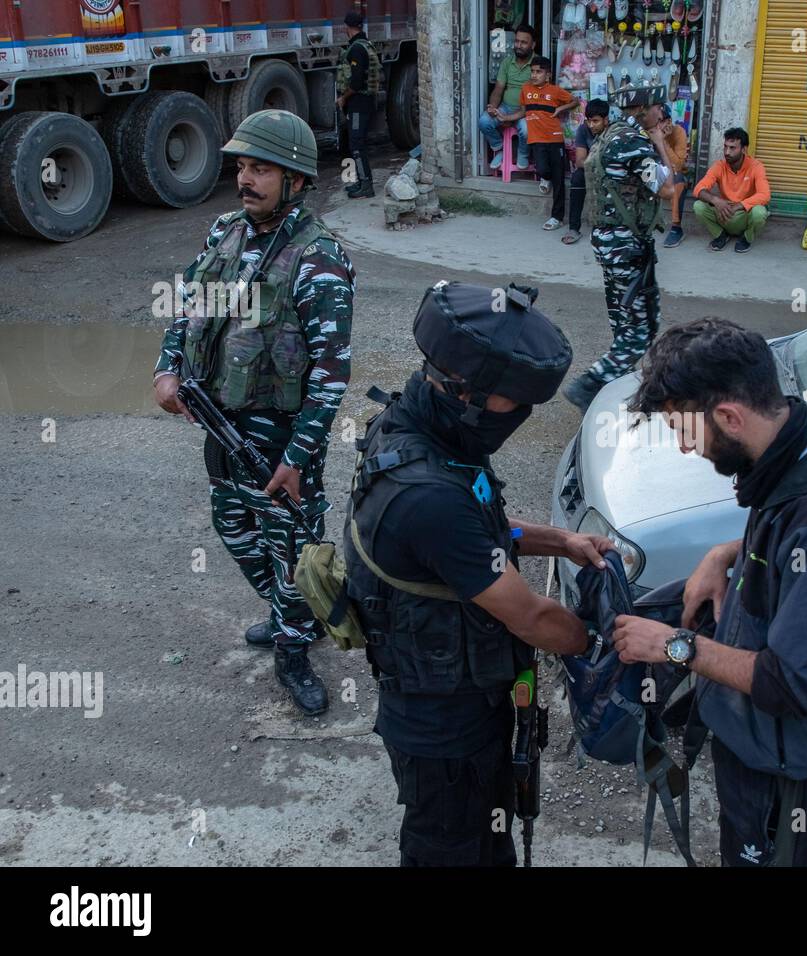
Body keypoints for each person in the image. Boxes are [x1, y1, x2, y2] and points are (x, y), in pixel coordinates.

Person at [611, 318, 807, 866]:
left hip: (782, 762)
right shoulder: (800, 440)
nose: (687, 450)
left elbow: (797, 685)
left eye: (687, 432)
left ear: (730, 417)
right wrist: (726, 553)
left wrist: (671, 645)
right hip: (750, 735)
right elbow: (792, 531)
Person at [344, 281, 613, 866]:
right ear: (467, 389)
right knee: (452, 850)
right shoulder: (427, 494)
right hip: (444, 730)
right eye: (514, 401)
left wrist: (560, 541)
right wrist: (601, 646)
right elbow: (534, 616)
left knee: (489, 843)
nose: (519, 415)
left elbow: (481, 531)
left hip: (469, 702)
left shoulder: (423, 426)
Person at [152, 110, 355, 716]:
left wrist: (297, 459)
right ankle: (290, 616)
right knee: (234, 529)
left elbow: (329, 376)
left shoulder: (319, 261)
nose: (246, 179)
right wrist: (167, 369)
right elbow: (190, 309)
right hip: (222, 429)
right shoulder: (226, 232)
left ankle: (294, 648)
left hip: (281, 446)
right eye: (242, 167)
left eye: (261, 168)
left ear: (294, 177)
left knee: (292, 550)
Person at [561, 89, 680, 412]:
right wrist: (658, 142)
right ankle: (590, 385)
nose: (663, 114)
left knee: (623, 321)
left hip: (608, 242)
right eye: (659, 108)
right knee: (642, 328)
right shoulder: (634, 143)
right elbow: (668, 189)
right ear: (643, 109)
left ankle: (615, 393)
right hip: (627, 246)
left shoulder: (611, 136)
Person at [498, 56, 576, 230]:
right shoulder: (526, 89)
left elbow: (574, 101)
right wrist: (506, 117)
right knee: (541, 169)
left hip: (555, 139)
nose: (534, 75)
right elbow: (523, 112)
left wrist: (560, 109)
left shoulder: (555, 91)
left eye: (538, 72)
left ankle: (557, 217)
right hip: (537, 139)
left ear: (547, 75)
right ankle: (545, 178)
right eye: (532, 71)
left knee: (559, 180)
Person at [692, 127, 771, 253]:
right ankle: (720, 235)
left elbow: (765, 195)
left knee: (760, 212)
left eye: (732, 148)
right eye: (725, 147)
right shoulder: (719, 166)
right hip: (725, 213)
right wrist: (716, 200)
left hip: (744, 215)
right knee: (698, 206)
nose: (727, 152)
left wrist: (739, 205)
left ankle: (746, 238)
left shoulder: (756, 166)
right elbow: (698, 189)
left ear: (744, 149)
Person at [479, 24, 537, 170]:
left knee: (526, 129)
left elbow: (533, 99)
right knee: (484, 121)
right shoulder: (507, 62)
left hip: (527, 111)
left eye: (524, 42)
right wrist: (493, 107)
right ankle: (500, 149)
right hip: (506, 107)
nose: (518, 45)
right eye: (517, 41)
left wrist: (510, 118)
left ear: (533, 45)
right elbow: (498, 90)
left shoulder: (538, 65)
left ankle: (523, 153)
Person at [337, 10, 379, 199]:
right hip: (365, 101)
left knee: (356, 144)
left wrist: (343, 98)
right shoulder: (366, 45)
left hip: (359, 103)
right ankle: (360, 182)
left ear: (347, 27)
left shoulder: (356, 49)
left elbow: (356, 83)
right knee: (356, 142)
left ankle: (366, 186)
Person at [561, 98, 609, 245]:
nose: (591, 125)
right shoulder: (583, 129)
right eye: (589, 121)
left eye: (596, 121)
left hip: (610, 171)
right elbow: (580, 160)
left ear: (606, 120)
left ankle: (607, 228)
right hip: (592, 168)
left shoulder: (614, 131)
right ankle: (574, 228)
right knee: (577, 178)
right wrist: (596, 168)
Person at [654, 105, 690, 248]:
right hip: (654, 175)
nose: (657, 125)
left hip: (672, 176)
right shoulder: (648, 132)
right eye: (655, 121)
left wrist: (662, 141)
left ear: (669, 121)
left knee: (678, 180)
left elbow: (678, 166)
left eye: (660, 121)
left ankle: (676, 228)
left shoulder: (678, 132)